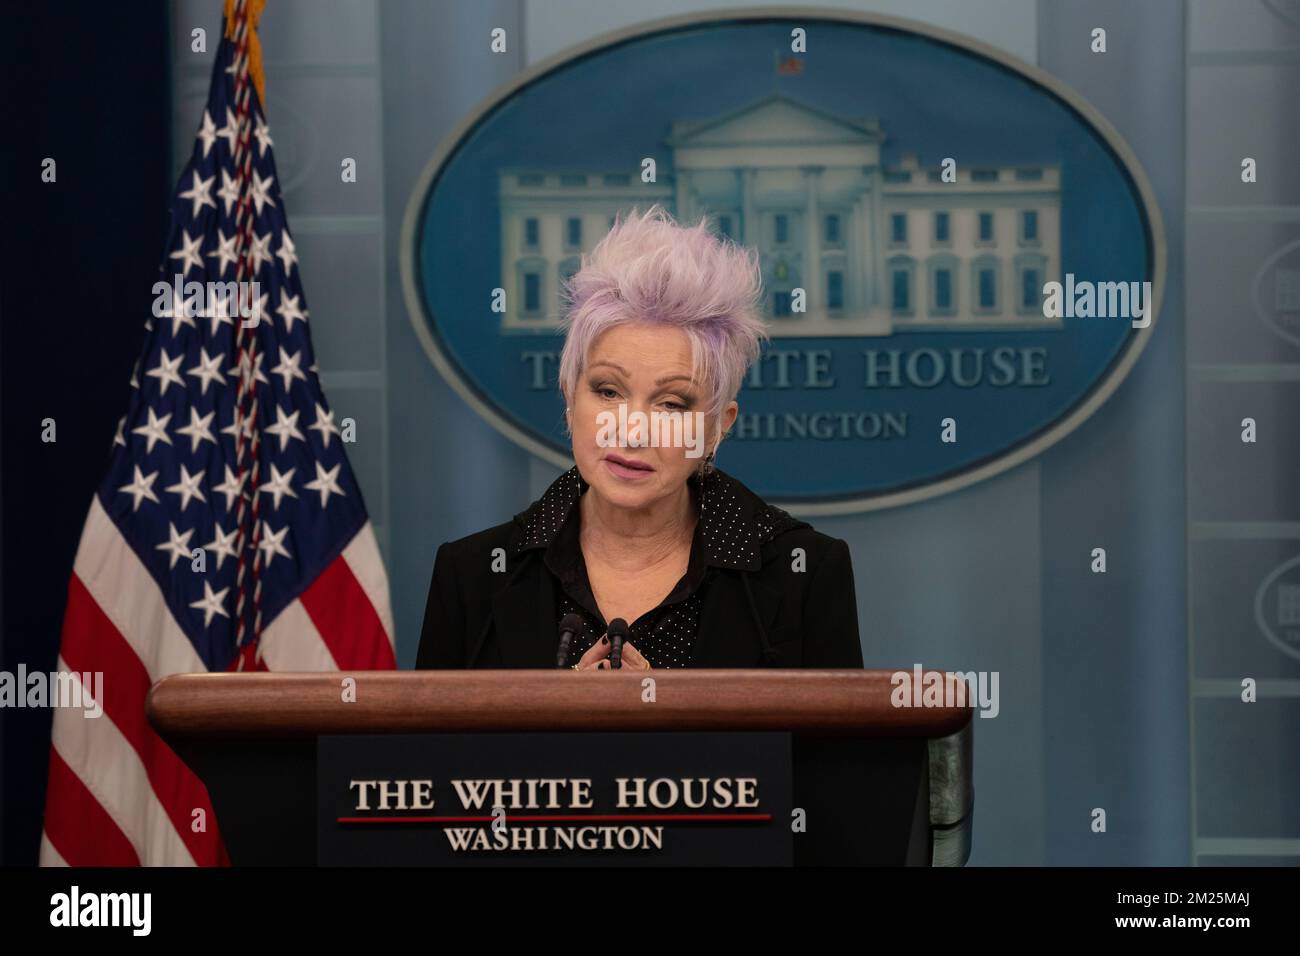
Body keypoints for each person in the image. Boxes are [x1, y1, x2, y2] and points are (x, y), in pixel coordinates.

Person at [415, 204, 862, 671]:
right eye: (608, 391)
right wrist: (559, 723)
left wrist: (665, 721)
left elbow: (845, 746)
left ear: (717, 427)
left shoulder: (805, 570)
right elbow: (433, 746)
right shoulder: (472, 574)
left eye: (672, 404)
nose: (632, 431)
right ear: (569, 396)